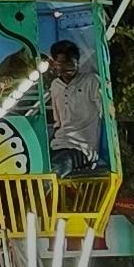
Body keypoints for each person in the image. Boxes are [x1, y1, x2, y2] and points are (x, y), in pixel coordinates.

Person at [45, 40, 102, 174]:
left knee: (54, 171)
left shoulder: (91, 81)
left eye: (71, 62)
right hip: (58, 145)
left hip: (82, 149)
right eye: (62, 63)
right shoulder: (55, 86)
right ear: (55, 64)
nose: (68, 67)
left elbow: (105, 111)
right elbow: (58, 121)